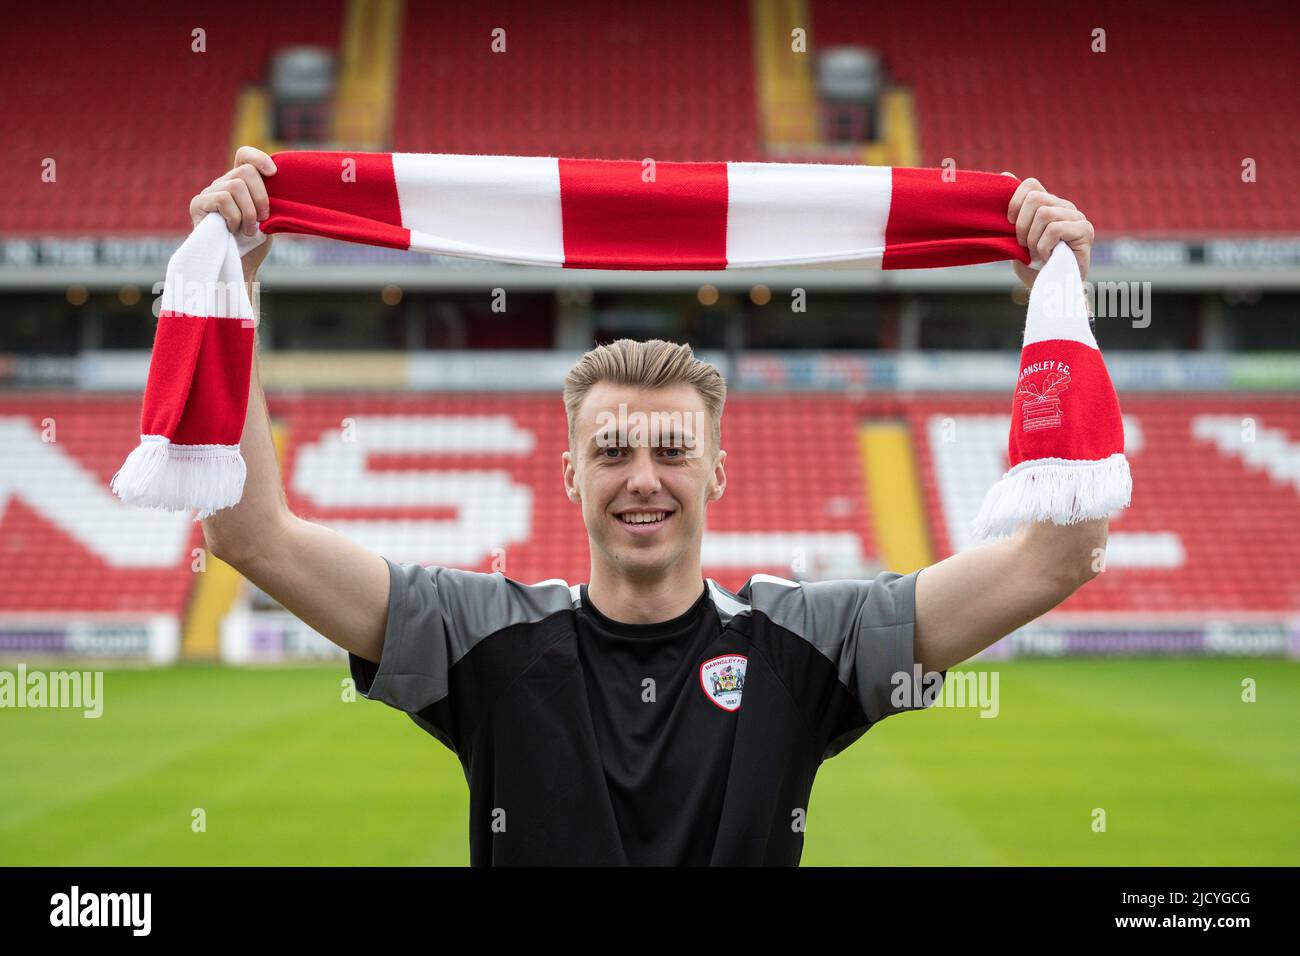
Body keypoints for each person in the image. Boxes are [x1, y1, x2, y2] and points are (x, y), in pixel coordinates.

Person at [196, 146, 1104, 866]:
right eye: (611, 450)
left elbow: (1051, 558)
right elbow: (250, 532)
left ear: (714, 473)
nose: (642, 477)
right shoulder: (476, 632)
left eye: (672, 450)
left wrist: (1059, 309)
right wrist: (237, 280)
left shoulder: (805, 641)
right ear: (568, 473)